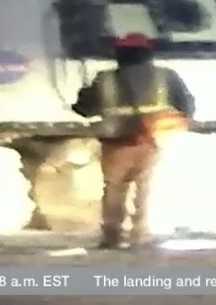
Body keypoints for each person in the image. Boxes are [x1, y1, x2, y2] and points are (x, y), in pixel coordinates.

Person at [72, 33, 194, 250]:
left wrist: (85, 93)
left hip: (115, 143)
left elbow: (83, 109)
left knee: (114, 189)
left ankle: (112, 236)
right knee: (145, 188)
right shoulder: (166, 76)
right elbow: (186, 106)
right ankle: (140, 234)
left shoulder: (105, 79)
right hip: (151, 141)